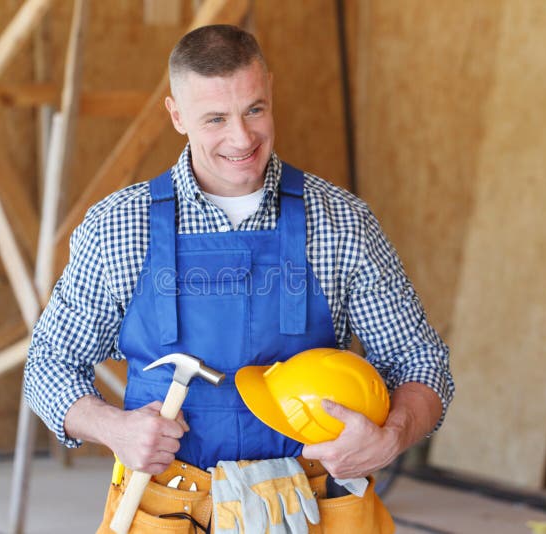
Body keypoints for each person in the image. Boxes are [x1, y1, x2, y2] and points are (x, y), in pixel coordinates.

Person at [24, 24, 454, 533]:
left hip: (310, 508)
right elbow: (49, 363)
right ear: (176, 115)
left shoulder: (340, 221)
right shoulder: (120, 227)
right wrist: (113, 427)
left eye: (254, 109)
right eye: (215, 119)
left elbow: (420, 362)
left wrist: (391, 437)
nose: (242, 138)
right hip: (171, 509)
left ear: (270, 89)